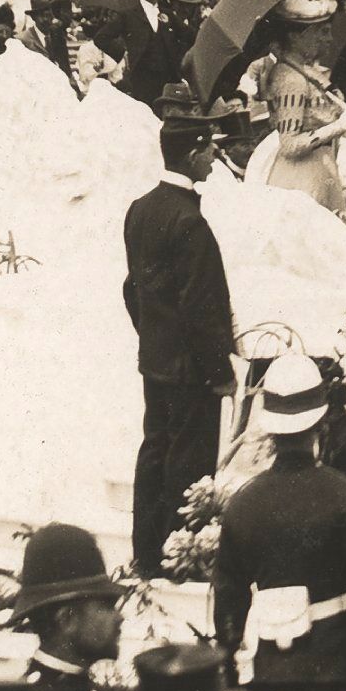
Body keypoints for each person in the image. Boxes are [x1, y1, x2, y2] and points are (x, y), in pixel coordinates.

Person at [214, 353, 346, 691]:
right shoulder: (345, 497)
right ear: (320, 422)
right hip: (331, 668)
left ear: (270, 427)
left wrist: (230, 671)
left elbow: (228, 600)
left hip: (266, 669)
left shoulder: (243, 504)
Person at [121, 154, 239, 574]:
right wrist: (220, 373)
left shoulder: (140, 208)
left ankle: (147, 555)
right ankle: (180, 559)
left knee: (155, 451)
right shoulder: (190, 222)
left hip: (156, 361)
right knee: (189, 464)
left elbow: (132, 289)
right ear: (193, 154)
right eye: (208, 151)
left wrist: (153, 337)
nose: (213, 159)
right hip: (191, 370)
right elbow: (200, 308)